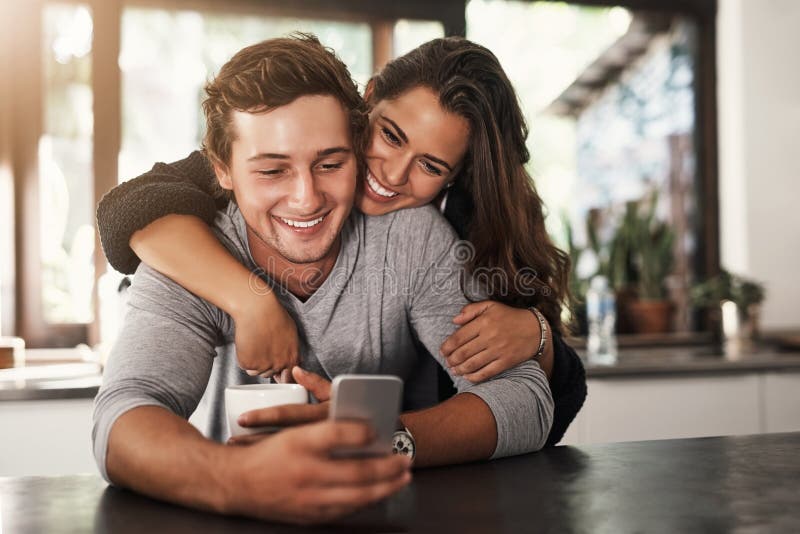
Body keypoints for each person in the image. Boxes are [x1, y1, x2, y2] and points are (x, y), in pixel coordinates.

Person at [92, 34, 553, 525]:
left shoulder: (414, 237)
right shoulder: (188, 248)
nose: (306, 198)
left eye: (330, 164)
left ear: (354, 145)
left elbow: (526, 397)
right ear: (222, 169)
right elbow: (123, 413)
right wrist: (236, 479)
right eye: (272, 170)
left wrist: (380, 436)